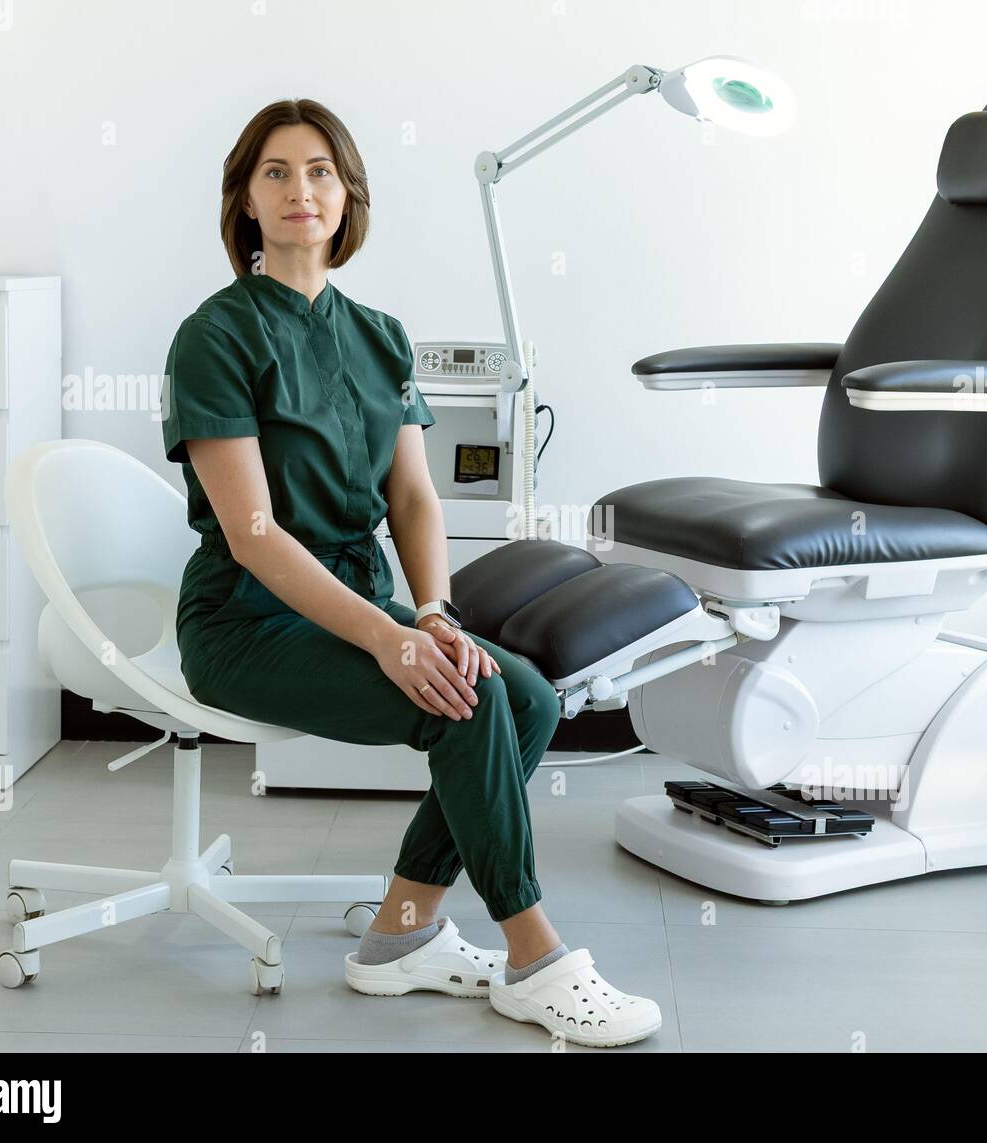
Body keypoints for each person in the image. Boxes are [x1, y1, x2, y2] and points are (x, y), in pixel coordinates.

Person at [160, 99, 659, 1048]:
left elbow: (415, 500)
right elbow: (258, 533)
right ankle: (536, 957)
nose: (300, 190)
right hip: (245, 615)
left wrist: (429, 611)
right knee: (463, 702)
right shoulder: (216, 336)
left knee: (528, 698)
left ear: (348, 194)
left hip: (361, 598)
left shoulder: (381, 335)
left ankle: (401, 936)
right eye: (275, 172)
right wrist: (388, 635)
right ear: (246, 201)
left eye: (319, 170)